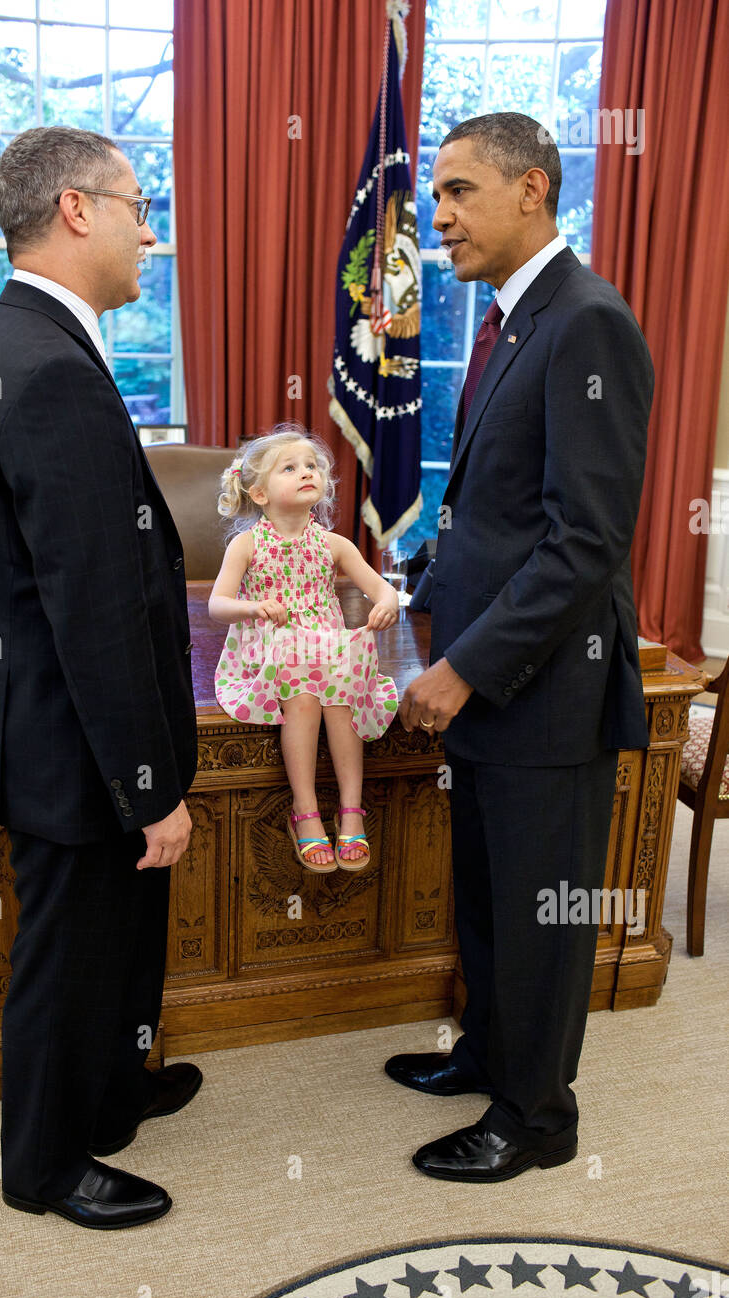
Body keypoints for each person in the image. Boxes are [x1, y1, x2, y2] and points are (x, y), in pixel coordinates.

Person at [0, 126, 201, 1230]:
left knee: (120, 933)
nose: (153, 229)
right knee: (69, 947)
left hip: (28, 714)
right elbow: (89, 610)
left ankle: (114, 1087)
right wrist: (152, 789)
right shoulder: (48, 370)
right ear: (78, 211)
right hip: (66, 732)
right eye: (139, 204)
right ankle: (42, 1165)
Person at [388, 113, 654, 1182]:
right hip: (495, 685)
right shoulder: (511, 318)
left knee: (544, 918)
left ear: (531, 189)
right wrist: (408, 596)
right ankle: (490, 1057)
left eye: (456, 193)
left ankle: (537, 1120)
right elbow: (492, 515)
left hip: (542, 694)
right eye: (433, 198)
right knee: (489, 897)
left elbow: (581, 543)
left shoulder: (585, 321)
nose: (437, 217)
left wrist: (459, 668)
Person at [209, 426, 400, 871]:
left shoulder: (335, 545)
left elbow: (381, 589)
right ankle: (305, 809)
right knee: (305, 697)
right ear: (259, 493)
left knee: (342, 699)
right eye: (290, 468)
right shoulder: (247, 544)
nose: (306, 472)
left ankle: (351, 807)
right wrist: (253, 607)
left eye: (311, 466)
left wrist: (387, 604)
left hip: (325, 651)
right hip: (270, 652)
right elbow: (218, 604)